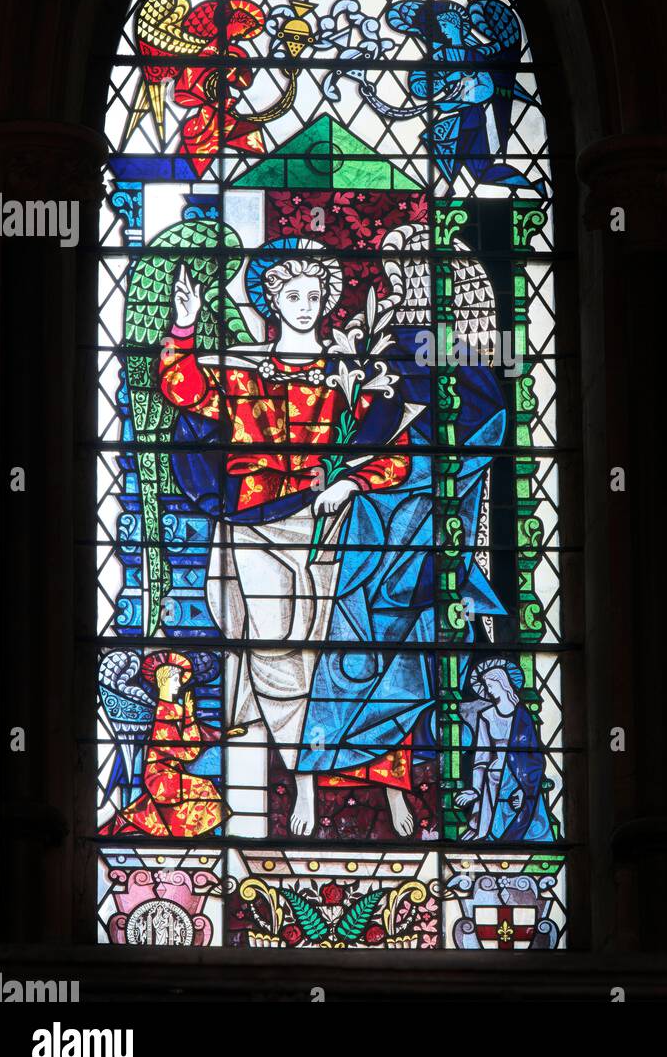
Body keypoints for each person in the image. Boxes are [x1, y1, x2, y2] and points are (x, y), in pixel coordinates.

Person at [159, 239, 414, 837]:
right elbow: (184, 389)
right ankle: (300, 778)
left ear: (327, 300)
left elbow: (395, 452)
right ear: (272, 300)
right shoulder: (241, 369)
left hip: (328, 526)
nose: (304, 304)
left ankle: (358, 774)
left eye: (314, 294)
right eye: (291, 293)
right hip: (255, 523)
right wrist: (187, 324)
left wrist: (350, 482)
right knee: (276, 651)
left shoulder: (356, 373)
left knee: (335, 654)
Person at [100, 650, 242, 838]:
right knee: (203, 788)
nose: (180, 684)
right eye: (176, 679)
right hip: (158, 776)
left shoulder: (174, 710)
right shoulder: (159, 714)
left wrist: (222, 734)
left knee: (167, 806)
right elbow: (189, 751)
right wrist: (190, 716)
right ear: (164, 680)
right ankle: (197, 835)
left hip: (171, 773)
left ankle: (186, 834)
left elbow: (197, 735)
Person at [455, 658, 554, 842]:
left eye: (490, 684)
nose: (488, 690)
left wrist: (524, 790)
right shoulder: (485, 715)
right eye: (485, 685)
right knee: (490, 834)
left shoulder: (523, 715)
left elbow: (533, 757)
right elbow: (481, 758)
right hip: (492, 781)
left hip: (520, 779)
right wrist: (476, 790)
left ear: (503, 683)